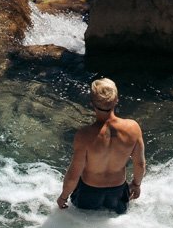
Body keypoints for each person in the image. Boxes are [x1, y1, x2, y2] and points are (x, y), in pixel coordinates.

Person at [56, 77, 146, 214]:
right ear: (116, 100)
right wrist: (136, 185)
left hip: (89, 192)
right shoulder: (133, 128)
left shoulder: (84, 135)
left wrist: (63, 197)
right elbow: (139, 163)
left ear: (92, 103)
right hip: (118, 192)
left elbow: (74, 174)